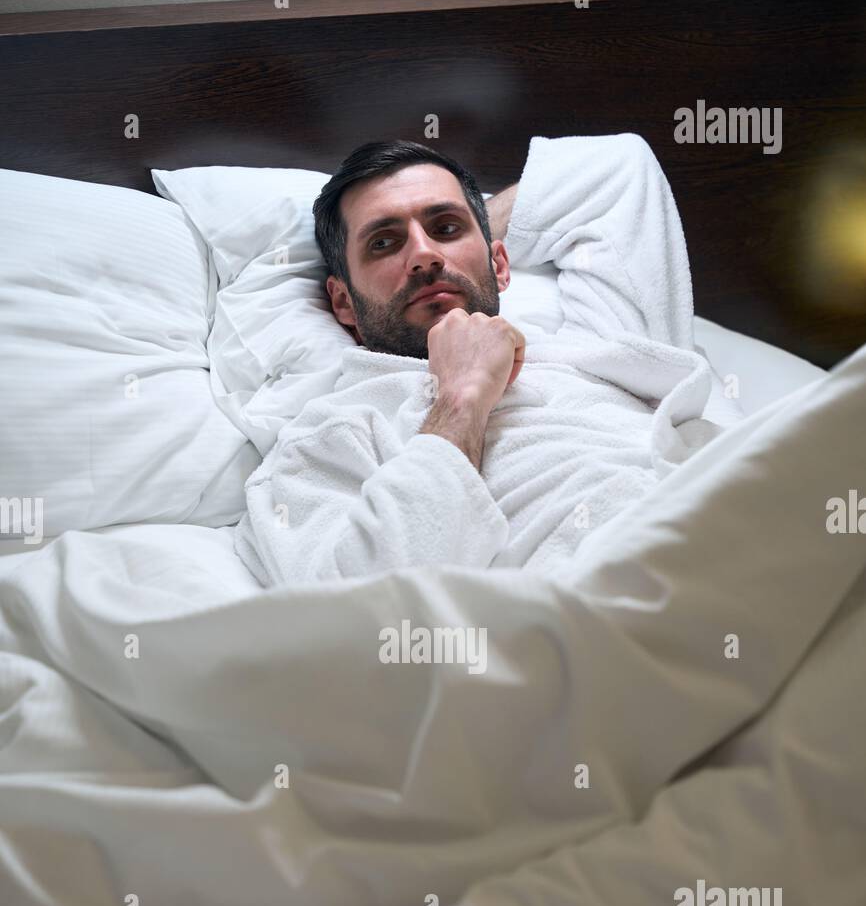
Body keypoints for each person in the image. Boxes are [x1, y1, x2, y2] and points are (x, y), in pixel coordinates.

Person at [234, 137, 727, 586]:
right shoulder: (326, 438)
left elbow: (615, 169)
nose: (424, 256)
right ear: (342, 303)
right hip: (619, 608)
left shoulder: (596, 346)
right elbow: (361, 610)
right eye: (384, 241)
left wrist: (473, 239)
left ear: (500, 265)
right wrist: (462, 396)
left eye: (444, 227)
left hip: (741, 523)